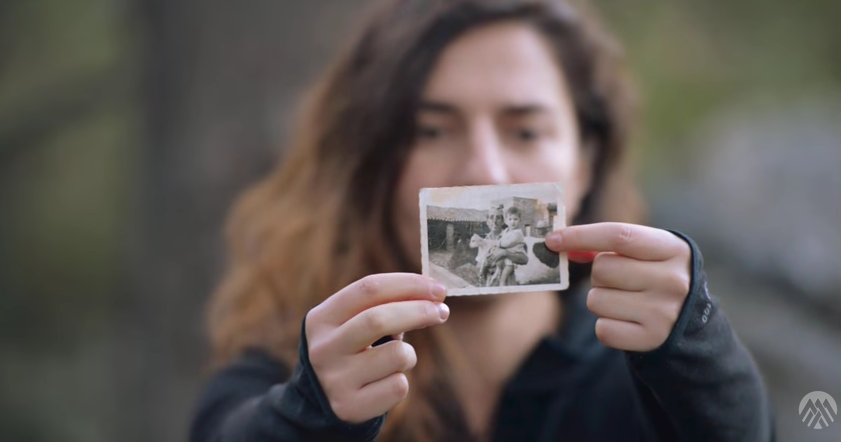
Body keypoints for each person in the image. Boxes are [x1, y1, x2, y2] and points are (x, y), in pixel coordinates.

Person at [190, 0, 774, 441]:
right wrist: (310, 415)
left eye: (525, 131)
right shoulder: (296, 375)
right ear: (373, 165)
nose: (484, 169)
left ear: (585, 162)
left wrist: (699, 352)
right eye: (432, 131)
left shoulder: (649, 378)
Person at [495, 206, 527, 286]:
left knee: (507, 270)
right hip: (506, 254)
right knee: (498, 263)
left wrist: (497, 243)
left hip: (515, 255)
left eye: (515, 219)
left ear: (520, 220)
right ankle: (497, 274)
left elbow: (507, 243)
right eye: (510, 219)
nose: (512, 222)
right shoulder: (506, 230)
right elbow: (502, 238)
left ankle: (502, 283)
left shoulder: (518, 233)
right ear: (506, 220)